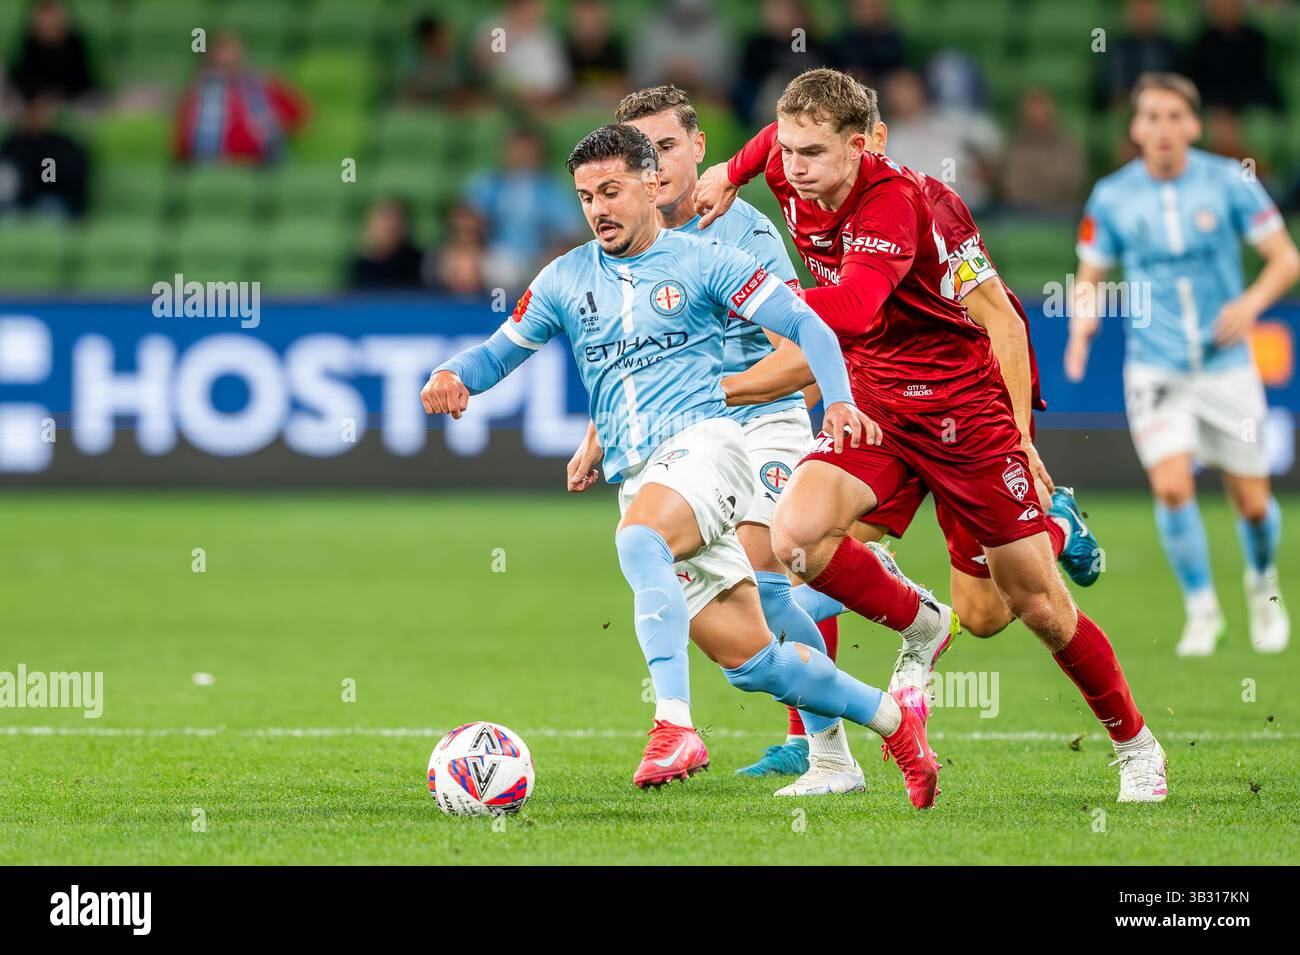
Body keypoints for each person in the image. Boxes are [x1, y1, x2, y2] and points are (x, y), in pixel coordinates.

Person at [422, 123, 943, 808]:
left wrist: (840, 401)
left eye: (611, 191)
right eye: (585, 197)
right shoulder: (564, 278)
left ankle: (673, 723)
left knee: (640, 539)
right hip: (644, 473)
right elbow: (497, 353)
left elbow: (810, 323)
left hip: (710, 448)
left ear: (649, 184)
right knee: (755, 661)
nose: (599, 209)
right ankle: (893, 722)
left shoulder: (703, 260)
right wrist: (451, 373)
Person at [695, 68, 1168, 803]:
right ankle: (922, 624)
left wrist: (1020, 441)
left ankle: (1136, 744)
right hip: (880, 399)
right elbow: (766, 147)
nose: (793, 167)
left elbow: (854, 308)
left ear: (862, 146)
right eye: (787, 150)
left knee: (1022, 610)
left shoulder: (901, 203)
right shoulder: (790, 165)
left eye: (812, 153)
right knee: (797, 536)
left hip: (963, 411)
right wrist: (727, 171)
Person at [563, 86, 957, 795]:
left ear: (698, 149)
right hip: (679, 438)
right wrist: (602, 427)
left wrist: (749, 399)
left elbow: (802, 345)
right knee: (748, 638)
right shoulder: (630, 246)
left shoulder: (743, 235)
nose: (652, 169)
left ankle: (829, 753)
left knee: (770, 577)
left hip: (760, 425)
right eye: (639, 155)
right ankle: (872, 653)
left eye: (666, 150)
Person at [1068, 73, 1298, 656]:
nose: (1164, 128)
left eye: (1175, 117)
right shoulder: (1113, 196)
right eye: (1152, 117)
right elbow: (1090, 277)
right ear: (1136, 127)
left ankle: (1263, 586)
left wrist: (1249, 304)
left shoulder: (1230, 182)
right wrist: (1083, 324)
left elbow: (1285, 260)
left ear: (1193, 125)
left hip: (1226, 366)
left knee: (1250, 500)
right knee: (1172, 489)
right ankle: (1201, 609)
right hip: (1155, 368)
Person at [173, 32, 308, 165]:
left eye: (234, 52)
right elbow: (183, 140)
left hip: (260, 166)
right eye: (223, 52)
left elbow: (298, 116)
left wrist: (268, 129)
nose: (229, 58)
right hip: (211, 168)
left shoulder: (264, 85)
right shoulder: (199, 91)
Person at [348, 199, 425, 291]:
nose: (390, 226)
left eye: (395, 223)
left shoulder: (420, 265)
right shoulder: (359, 269)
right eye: (384, 222)